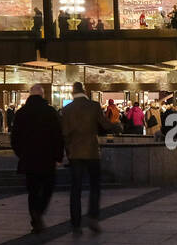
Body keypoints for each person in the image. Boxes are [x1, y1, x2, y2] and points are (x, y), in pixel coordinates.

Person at [10, 84, 64, 233]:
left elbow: (14, 138)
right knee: (48, 187)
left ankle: (35, 216)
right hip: (47, 158)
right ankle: (39, 212)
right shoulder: (50, 112)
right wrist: (58, 156)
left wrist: (21, 153)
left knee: (32, 190)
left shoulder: (21, 113)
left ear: (30, 94)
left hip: (29, 158)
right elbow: (58, 136)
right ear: (43, 95)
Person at [60, 82, 113, 233]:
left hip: (75, 153)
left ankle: (76, 224)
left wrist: (66, 150)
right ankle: (93, 218)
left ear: (72, 93)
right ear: (84, 91)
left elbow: (64, 133)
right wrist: (116, 126)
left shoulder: (67, 109)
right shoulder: (94, 106)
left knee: (75, 189)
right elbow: (105, 125)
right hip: (92, 152)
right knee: (95, 186)